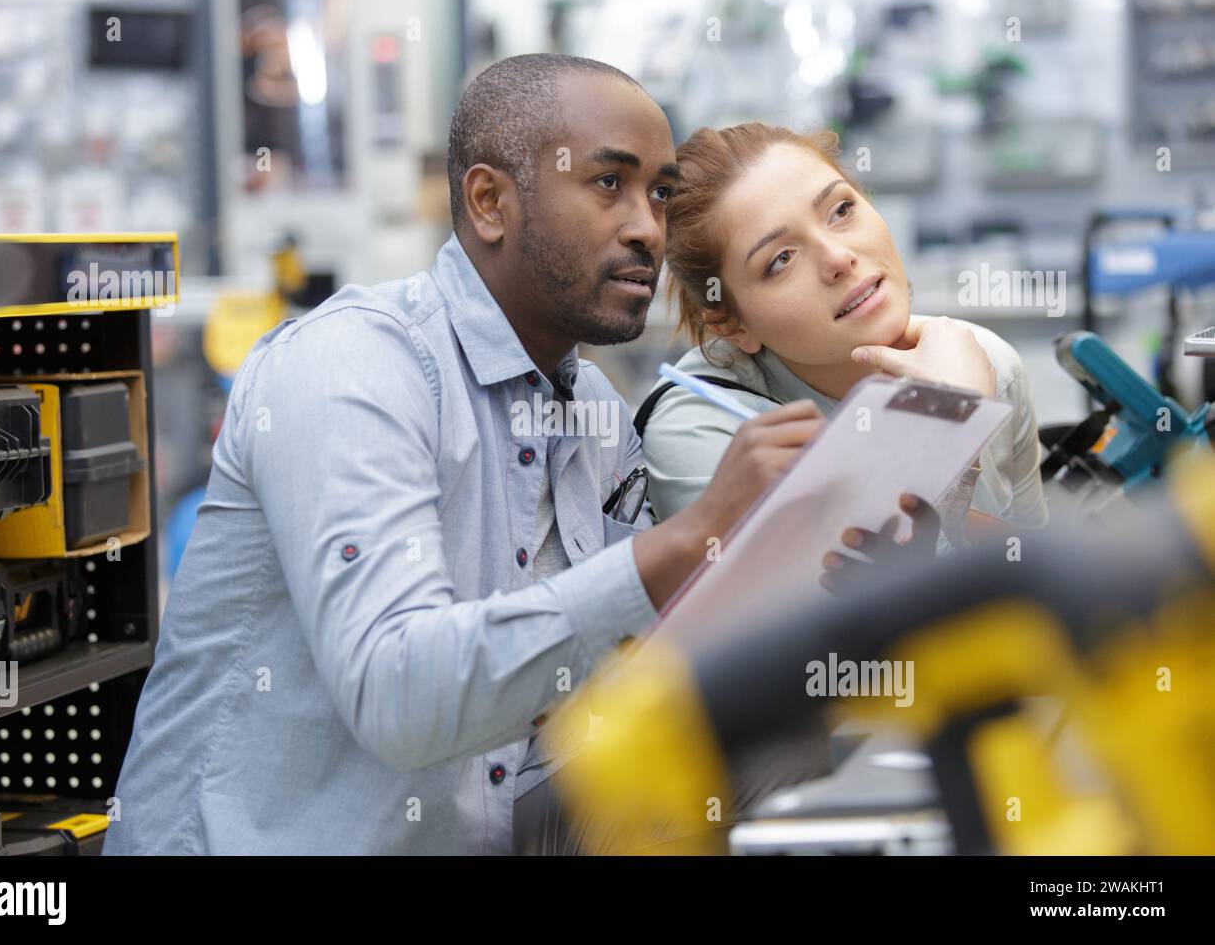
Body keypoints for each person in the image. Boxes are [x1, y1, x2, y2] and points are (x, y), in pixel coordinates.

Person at [102, 56, 824, 855]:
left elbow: (608, 679)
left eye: (658, 193)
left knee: (786, 754)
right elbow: (396, 693)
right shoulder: (354, 367)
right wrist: (685, 541)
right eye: (608, 184)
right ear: (489, 203)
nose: (647, 229)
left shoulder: (594, 414)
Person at [640, 123, 1048, 547]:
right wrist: (949, 430)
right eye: (780, 260)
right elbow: (844, 605)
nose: (839, 258)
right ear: (731, 324)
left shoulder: (987, 362)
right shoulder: (704, 433)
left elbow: (1038, 565)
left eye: (841, 210)